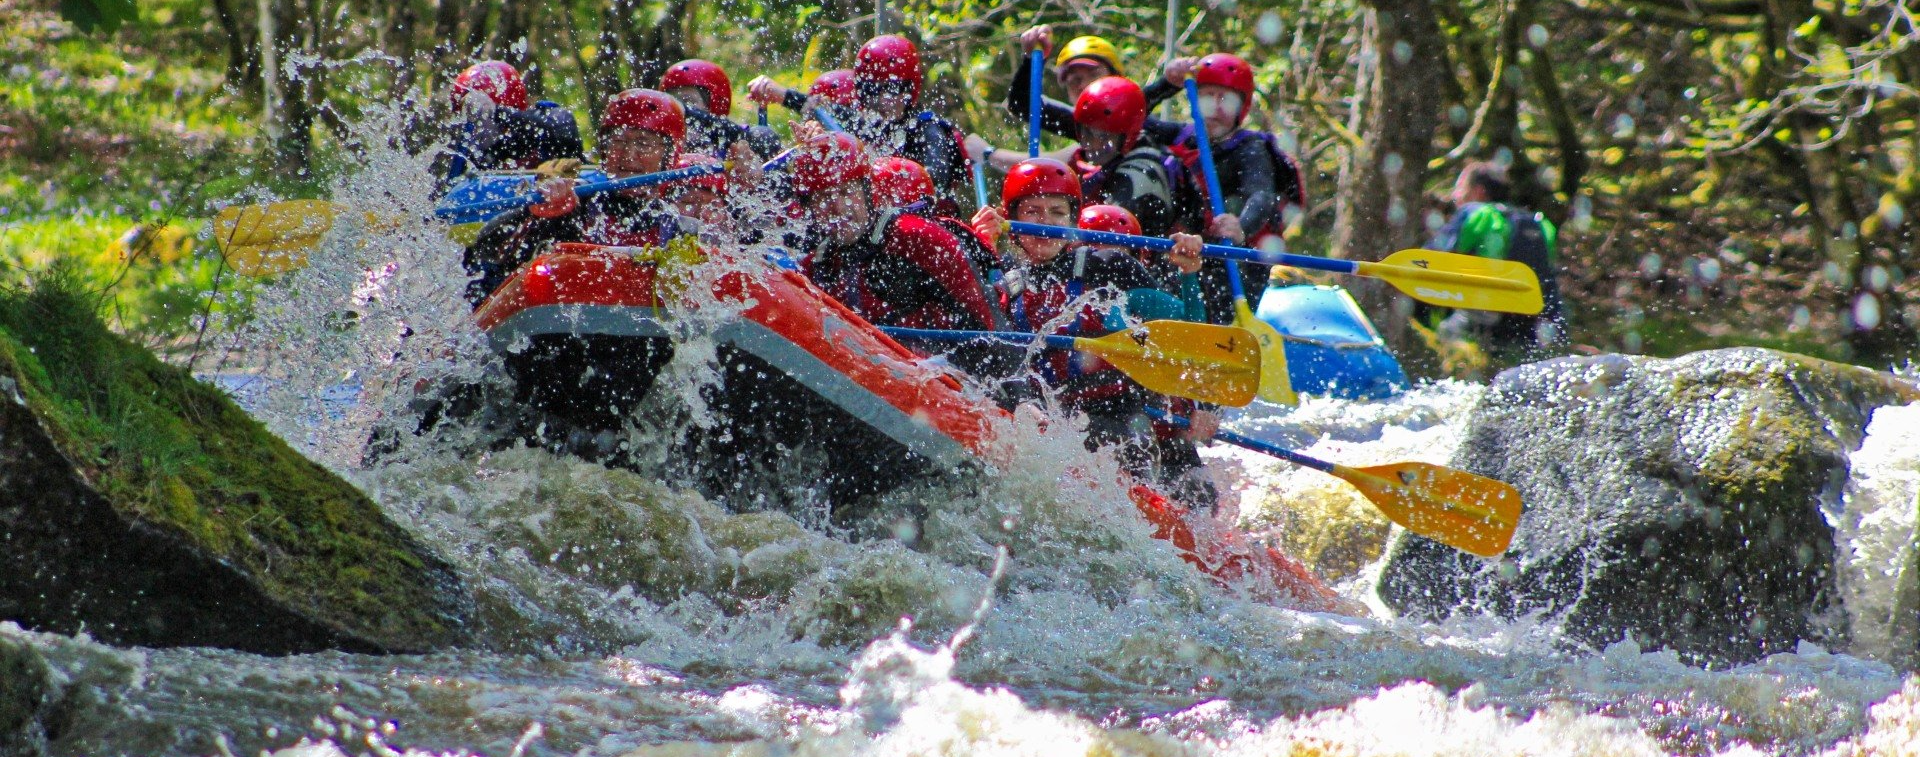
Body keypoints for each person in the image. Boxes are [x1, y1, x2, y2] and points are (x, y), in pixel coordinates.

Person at [970, 158, 1211, 490]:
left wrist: (1189, 273)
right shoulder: (1005, 285)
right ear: (1011, 219)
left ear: (1072, 220)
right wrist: (980, 246)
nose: (1045, 223)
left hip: (1120, 417)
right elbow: (987, 352)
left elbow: (1189, 334)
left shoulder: (1110, 265)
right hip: (1048, 416)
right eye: (1032, 212)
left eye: (1057, 212)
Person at [462, 88, 695, 302]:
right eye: (618, 141)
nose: (628, 154)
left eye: (644, 144)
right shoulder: (574, 208)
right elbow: (486, 251)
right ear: (604, 150)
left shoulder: (683, 231)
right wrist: (536, 216)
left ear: (670, 156)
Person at [791, 133, 1001, 335]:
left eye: (846, 192)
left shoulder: (917, 238)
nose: (837, 208)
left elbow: (990, 328)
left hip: (941, 354)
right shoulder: (817, 265)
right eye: (823, 198)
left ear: (867, 192)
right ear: (810, 210)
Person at [756, 36, 973, 205]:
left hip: (926, 220)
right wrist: (781, 94)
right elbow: (823, 109)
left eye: (892, 89)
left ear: (909, 89)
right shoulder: (869, 125)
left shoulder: (928, 129)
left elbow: (936, 178)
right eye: (871, 90)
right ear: (860, 90)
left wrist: (889, 180)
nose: (882, 99)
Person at [1430, 161, 1567, 365]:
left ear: (1478, 191)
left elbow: (1433, 257)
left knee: (1443, 333)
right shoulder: (1541, 224)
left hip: (1479, 317)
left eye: (1459, 188)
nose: (1455, 196)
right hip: (1527, 326)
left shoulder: (1477, 214)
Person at [1071, 76, 1199, 241]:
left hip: (1151, 252)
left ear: (1128, 137)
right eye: (1086, 133)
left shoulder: (1141, 169)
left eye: (1103, 136)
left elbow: (1108, 233)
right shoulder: (1117, 149)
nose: (1092, 144)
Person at [434, 61, 584, 188]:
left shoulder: (551, 118)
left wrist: (496, 112)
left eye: (480, 119)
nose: (476, 129)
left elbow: (562, 133)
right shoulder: (473, 153)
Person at [660, 58, 783, 160]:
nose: (675, 109)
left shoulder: (743, 140)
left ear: (714, 105)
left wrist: (686, 111)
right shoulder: (659, 148)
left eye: (688, 101)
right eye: (671, 101)